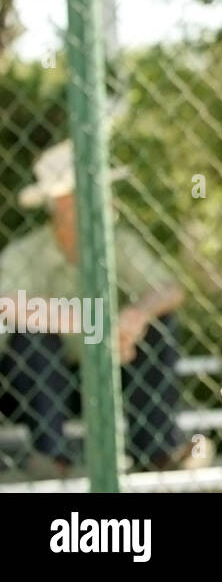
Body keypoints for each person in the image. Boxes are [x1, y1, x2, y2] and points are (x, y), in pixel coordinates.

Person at [0, 141, 197, 477]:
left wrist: (136, 316)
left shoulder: (117, 242)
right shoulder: (25, 252)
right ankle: (52, 459)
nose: (108, 201)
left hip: (113, 371)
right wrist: (97, 324)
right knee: (32, 337)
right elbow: (6, 304)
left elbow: (170, 289)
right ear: (63, 205)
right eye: (94, 192)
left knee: (159, 325)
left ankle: (159, 452)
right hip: (40, 386)